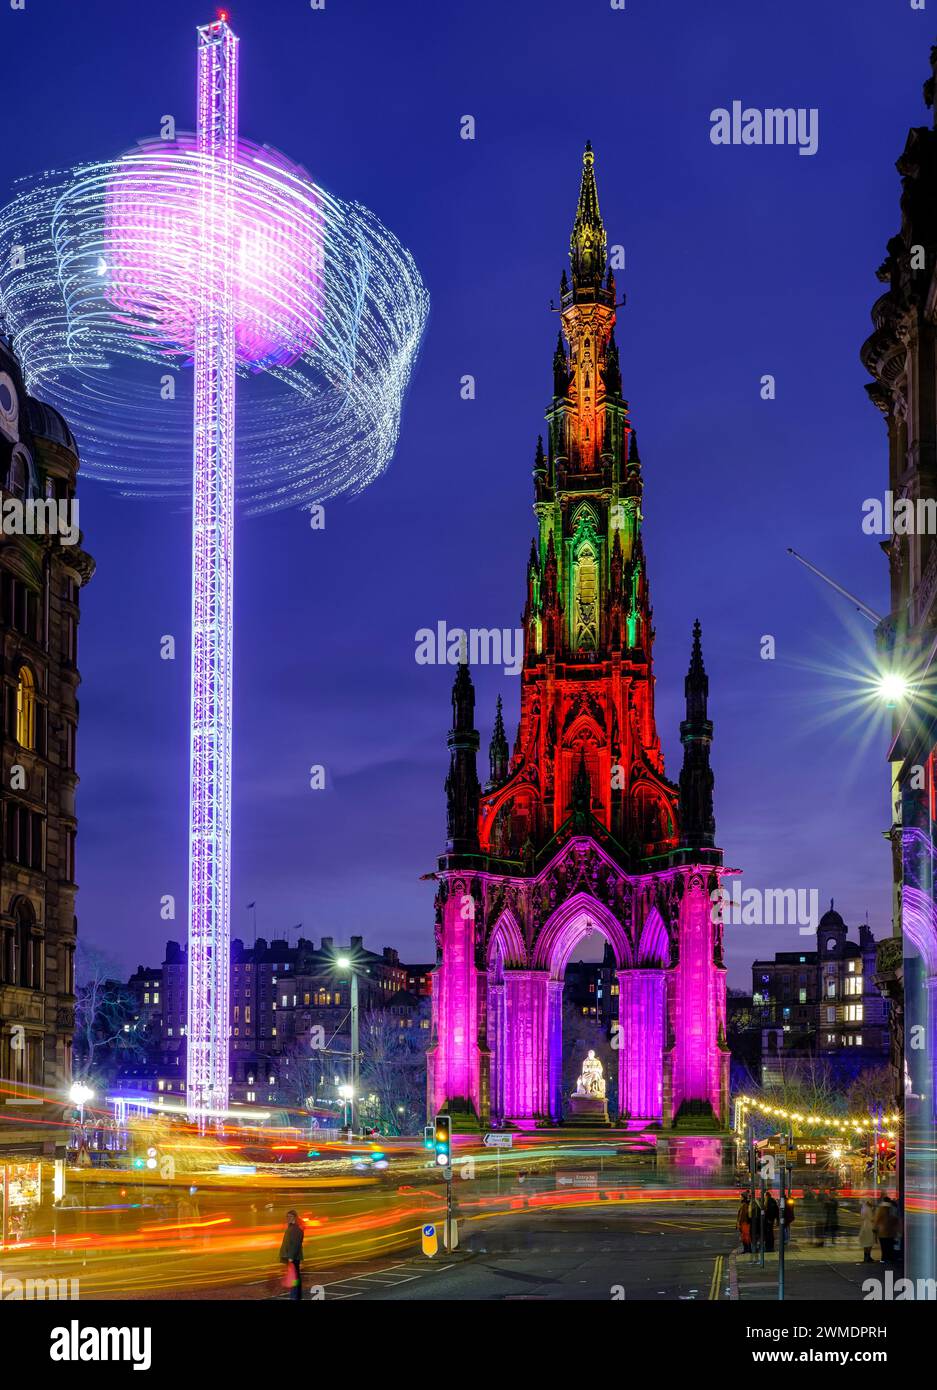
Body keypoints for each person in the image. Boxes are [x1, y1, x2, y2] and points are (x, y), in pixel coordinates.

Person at [279, 1209, 304, 1301]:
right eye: (287, 1217)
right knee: (295, 1277)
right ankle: (296, 1295)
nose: (288, 1218)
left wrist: (291, 1257)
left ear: (294, 1217)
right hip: (292, 1257)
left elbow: (296, 1244)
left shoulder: (296, 1229)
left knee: (294, 1278)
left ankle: (295, 1296)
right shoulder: (291, 1227)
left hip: (293, 1258)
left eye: (290, 1217)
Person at [874, 1193, 900, 1266]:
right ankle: (890, 1258)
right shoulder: (893, 1209)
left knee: (883, 1246)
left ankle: (884, 1258)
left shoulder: (880, 1209)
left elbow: (877, 1220)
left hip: (882, 1231)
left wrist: (875, 1228)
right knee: (890, 1245)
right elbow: (896, 1219)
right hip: (891, 1231)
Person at [858, 1199, 876, 1264]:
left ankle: (865, 1257)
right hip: (869, 1226)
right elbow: (871, 1218)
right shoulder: (868, 1209)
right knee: (869, 1242)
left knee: (865, 1242)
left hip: (864, 1226)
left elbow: (862, 1218)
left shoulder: (863, 1208)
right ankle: (868, 1257)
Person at [762, 1187, 779, 1253]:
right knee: (770, 1233)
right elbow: (776, 1211)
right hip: (771, 1220)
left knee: (768, 1234)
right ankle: (770, 1246)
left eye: (764, 1196)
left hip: (769, 1220)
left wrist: (769, 1219)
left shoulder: (769, 1201)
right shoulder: (772, 1200)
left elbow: (770, 1211)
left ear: (766, 1196)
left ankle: (769, 1247)